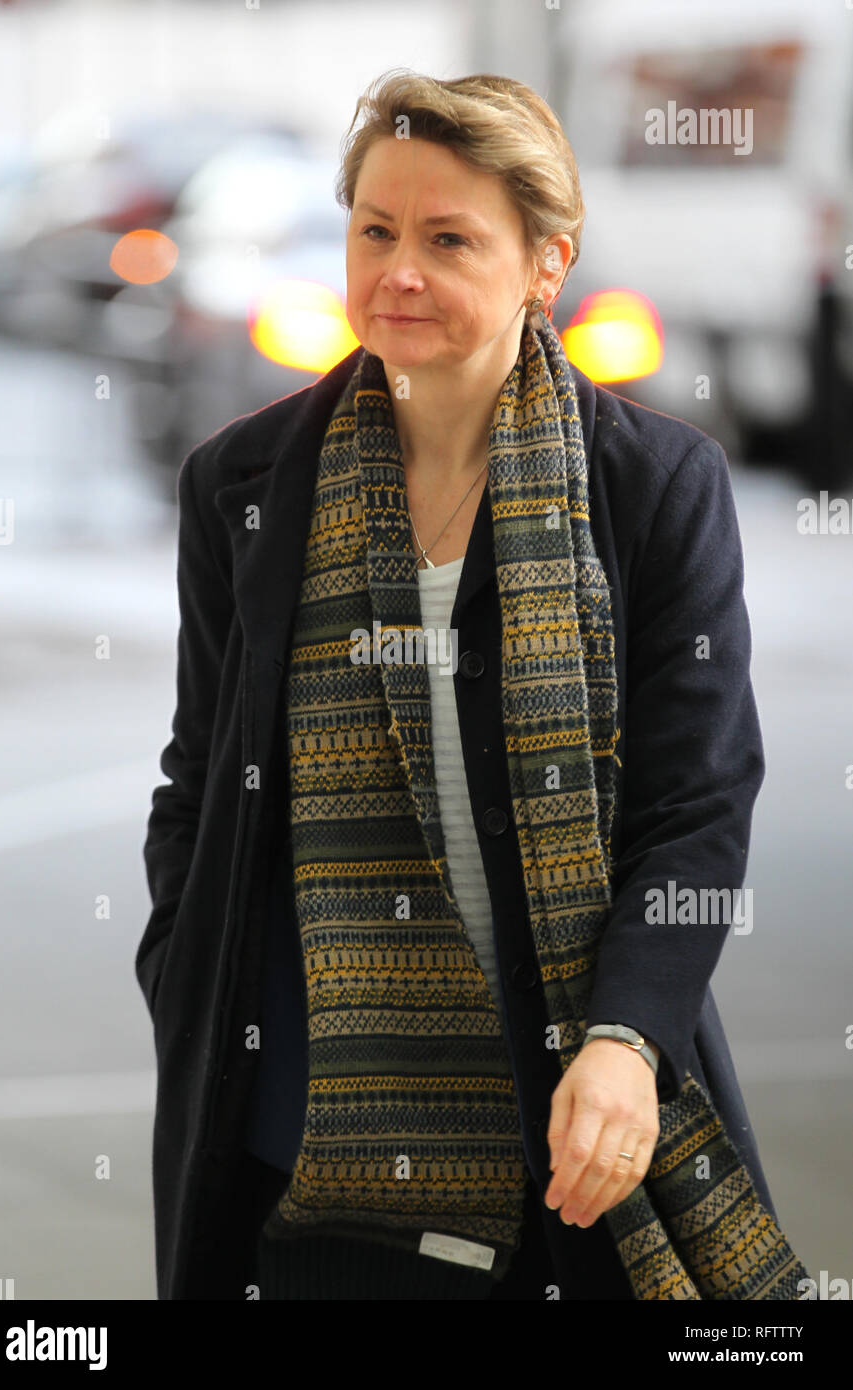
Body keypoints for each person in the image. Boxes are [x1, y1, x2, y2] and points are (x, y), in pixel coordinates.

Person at [136, 69, 810, 1301]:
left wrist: (627, 1036)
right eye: (375, 230)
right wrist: (181, 969)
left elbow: (697, 807)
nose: (398, 271)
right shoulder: (241, 485)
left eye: (449, 239)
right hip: (299, 1135)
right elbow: (200, 774)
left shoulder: (655, 486)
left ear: (545, 263)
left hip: (569, 1116)